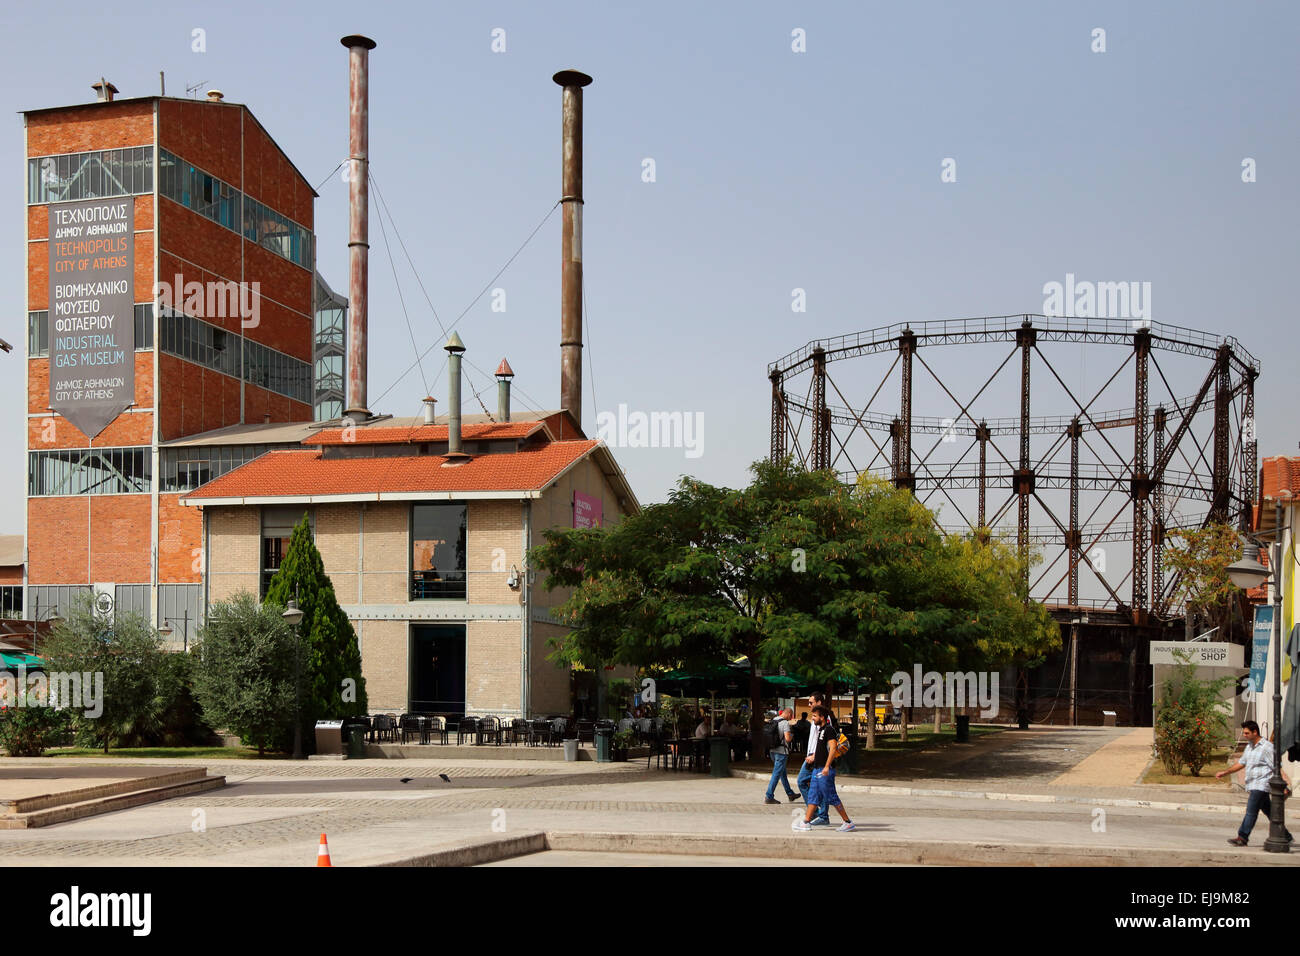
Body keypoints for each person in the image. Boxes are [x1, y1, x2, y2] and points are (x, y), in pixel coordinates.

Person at [1215, 720, 1294, 846]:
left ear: (1255, 732)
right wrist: (1225, 772)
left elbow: (1276, 766)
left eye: (1246, 733)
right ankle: (1286, 835)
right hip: (1253, 785)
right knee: (1270, 812)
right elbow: (1242, 763)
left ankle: (1242, 837)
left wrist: (1284, 783)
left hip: (1261, 785)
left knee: (1251, 812)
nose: (1244, 735)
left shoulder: (1267, 747)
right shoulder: (1249, 746)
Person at [793, 705, 854, 831]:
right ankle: (806, 822)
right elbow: (822, 750)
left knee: (831, 796)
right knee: (813, 796)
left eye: (814, 716)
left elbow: (832, 748)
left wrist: (827, 766)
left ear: (822, 717)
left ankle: (847, 822)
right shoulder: (821, 730)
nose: (812, 718)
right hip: (816, 768)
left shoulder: (829, 730)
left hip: (824, 770)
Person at [797, 693, 838, 825]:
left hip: (817, 757)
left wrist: (814, 755)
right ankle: (817, 813)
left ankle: (820, 813)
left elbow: (826, 742)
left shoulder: (824, 720)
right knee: (817, 786)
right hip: (812, 756)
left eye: (811, 702)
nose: (809, 705)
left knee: (806, 782)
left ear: (819, 702)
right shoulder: (815, 718)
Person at [764, 707, 799, 805]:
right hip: (781, 752)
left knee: (782, 773)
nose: (791, 718)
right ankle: (769, 796)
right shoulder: (785, 723)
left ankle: (790, 793)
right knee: (776, 774)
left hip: (772, 751)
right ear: (788, 714)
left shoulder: (773, 720)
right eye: (791, 716)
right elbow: (787, 739)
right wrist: (791, 735)